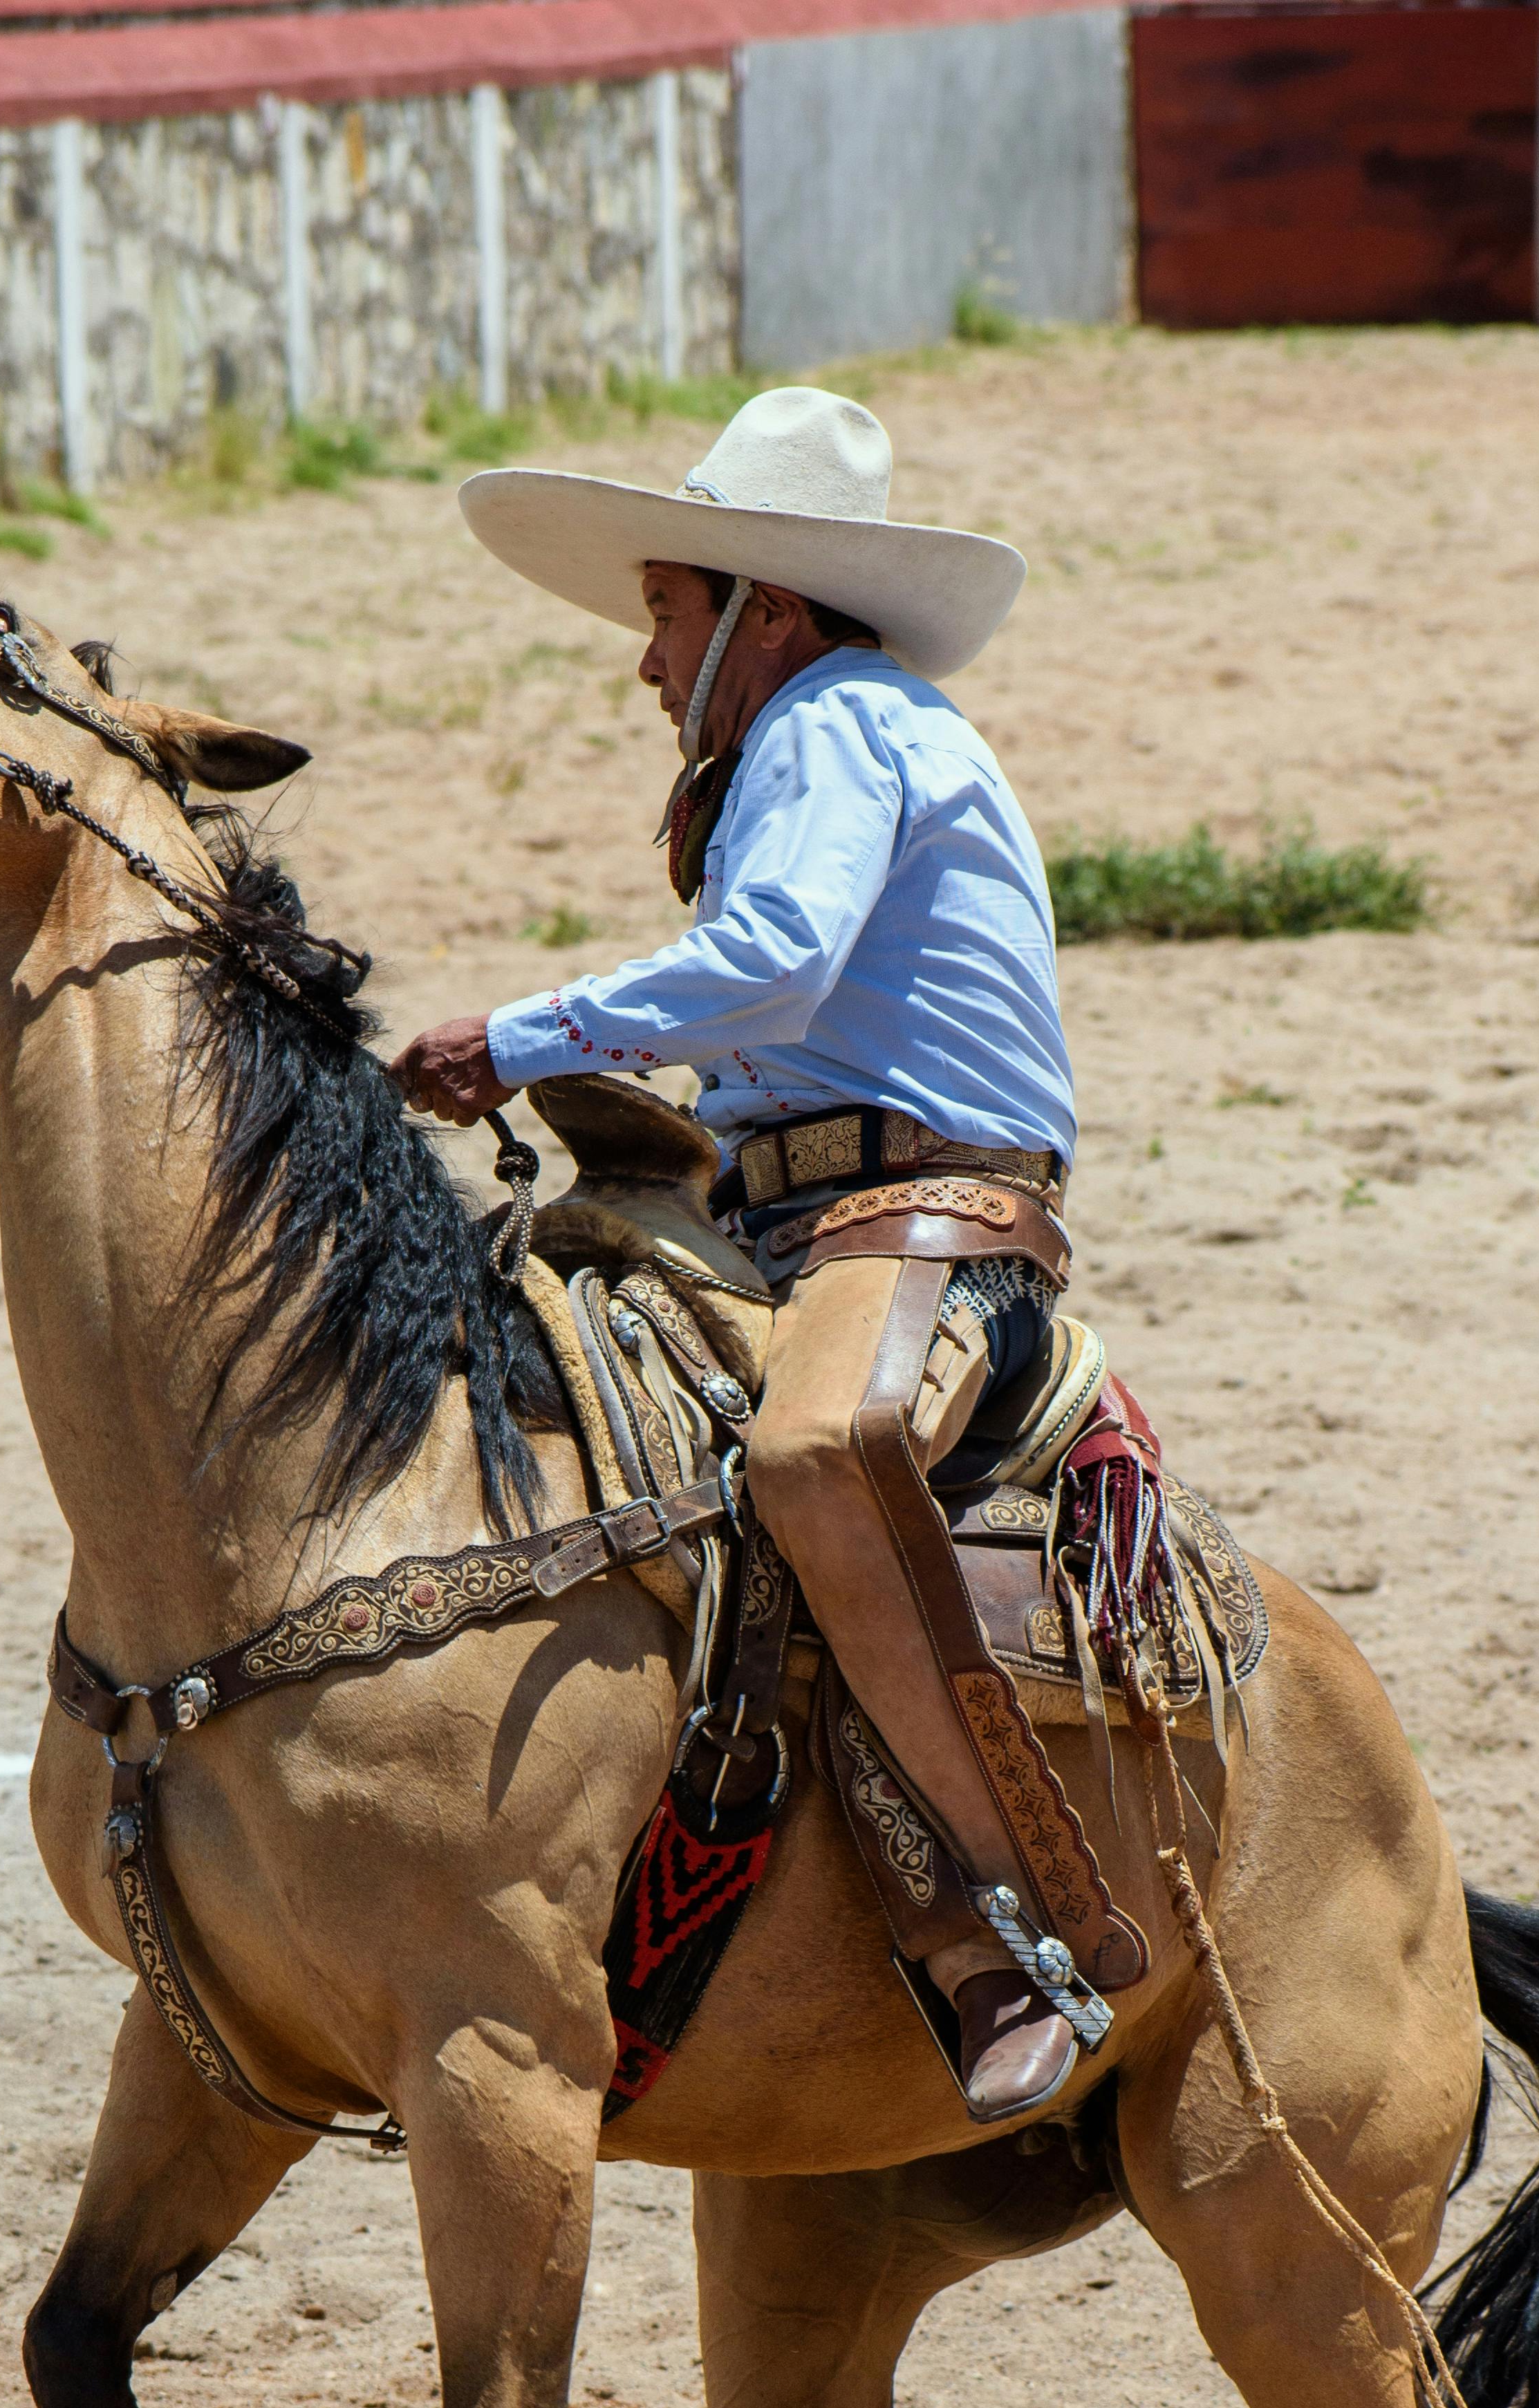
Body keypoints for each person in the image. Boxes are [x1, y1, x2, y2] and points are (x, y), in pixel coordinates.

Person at [394, 387, 1092, 2122]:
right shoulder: (822, 723)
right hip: (781, 1200)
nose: (645, 663)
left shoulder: (839, 716)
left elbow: (776, 963)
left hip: (916, 1217)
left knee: (814, 1451)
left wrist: (531, 1033)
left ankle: (1011, 1929)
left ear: (762, 611)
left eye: (663, 611)